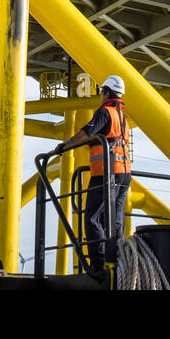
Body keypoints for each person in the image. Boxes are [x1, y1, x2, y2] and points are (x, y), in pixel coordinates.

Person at [54, 74, 131, 270]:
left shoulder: (104, 113)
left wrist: (67, 145)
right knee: (115, 220)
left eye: (101, 91)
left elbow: (86, 133)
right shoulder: (122, 117)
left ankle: (99, 265)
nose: (100, 95)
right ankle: (117, 262)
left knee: (92, 218)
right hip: (124, 174)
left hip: (105, 173)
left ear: (106, 92)